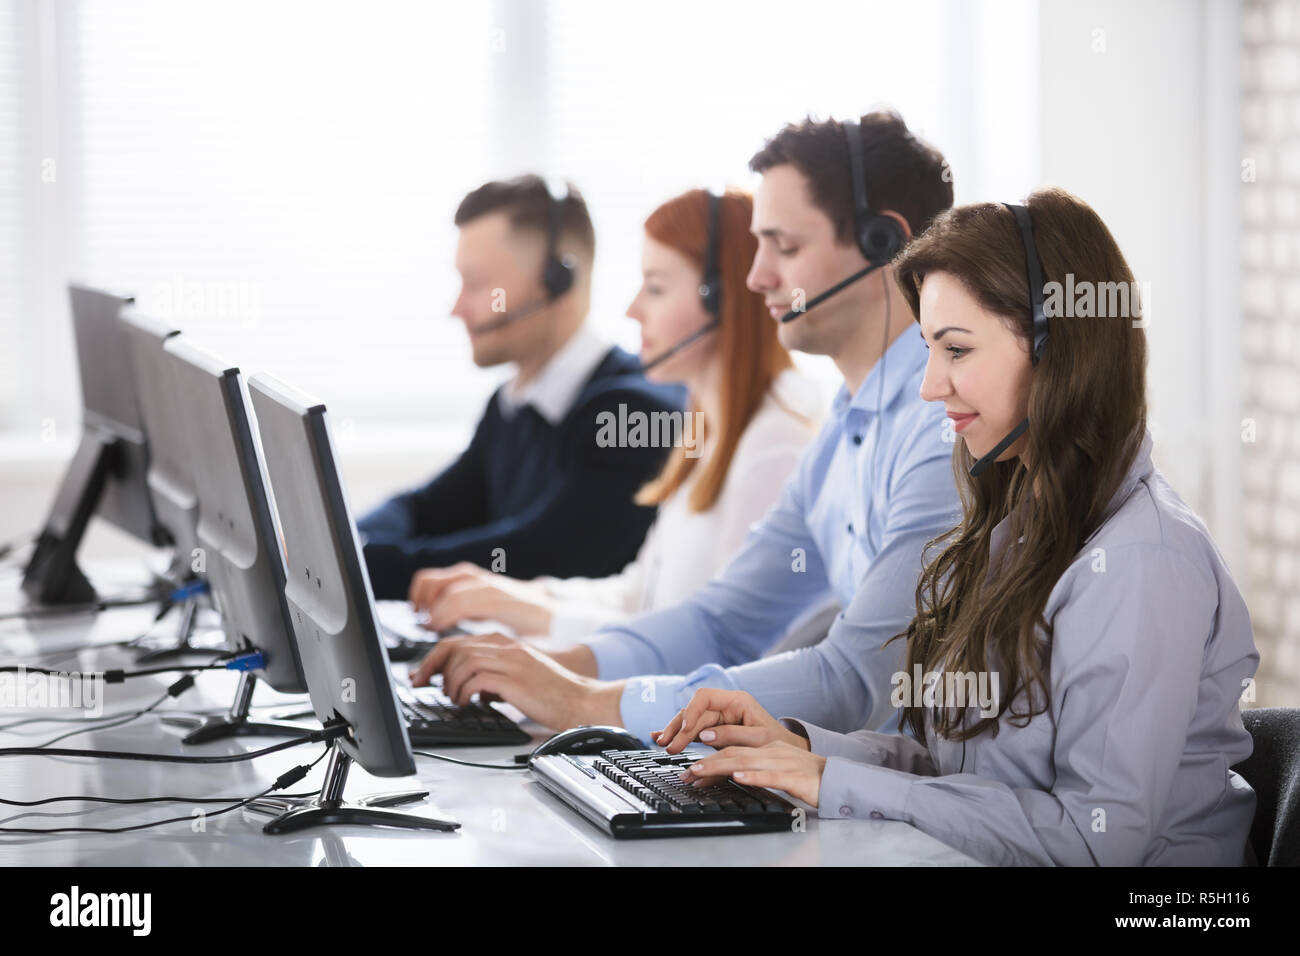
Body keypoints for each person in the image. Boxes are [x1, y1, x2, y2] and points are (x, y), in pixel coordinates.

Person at [653, 188, 1259, 867]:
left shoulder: (1140, 560)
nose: (929, 385)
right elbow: (966, 780)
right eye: (928, 350)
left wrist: (833, 783)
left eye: (957, 350)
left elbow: (1097, 841)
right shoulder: (1017, 522)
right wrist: (804, 748)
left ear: (1058, 351)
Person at [412, 111, 962, 744]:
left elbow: (854, 683)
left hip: (919, 808)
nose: (757, 278)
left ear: (883, 245)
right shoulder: (843, 430)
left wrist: (588, 701)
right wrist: (554, 673)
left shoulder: (942, 424)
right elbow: (722, 620)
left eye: (785, 247)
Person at [404, 188, 821, 642]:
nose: (631, 309)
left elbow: (711, 640)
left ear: (724, 299)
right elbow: (637, 596)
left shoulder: (772, 445)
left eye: (657, 288)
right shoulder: (709, 434)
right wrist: (509, 596)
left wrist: (536, 627)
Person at [357, 175, 684, 600]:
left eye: (476, 284)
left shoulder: (635, 413)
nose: (457, 309)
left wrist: (355, 571)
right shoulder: (513, 403)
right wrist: (342, 540)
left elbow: (536, 552)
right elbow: (424, 509)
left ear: (557, 279)